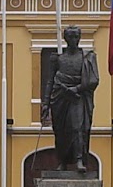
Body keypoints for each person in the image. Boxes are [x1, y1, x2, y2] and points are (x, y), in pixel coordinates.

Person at [41, 24, 100, 173]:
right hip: (59, 96)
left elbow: (93, 80)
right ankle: (62, 161)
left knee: (77, 128)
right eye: (70, 36)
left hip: (77, 96)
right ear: (65, 38)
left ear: (79, 38)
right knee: (60, 130)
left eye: (76, 36)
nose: (73, 39)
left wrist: (77, 88)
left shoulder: (87, 57)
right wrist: (45, 104)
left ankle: (79, 160)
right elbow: (50, 81)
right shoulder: (57, 58)